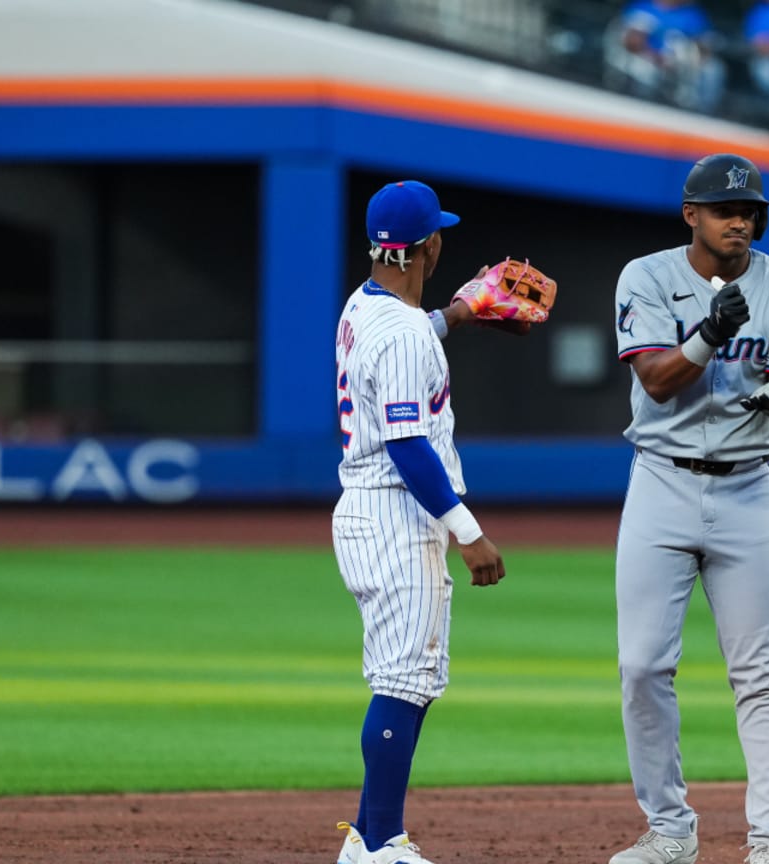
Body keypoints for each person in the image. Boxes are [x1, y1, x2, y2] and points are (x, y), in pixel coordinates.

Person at [609, 153, 769, 864]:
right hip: (661, 482)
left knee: (760, 673)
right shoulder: (646, 276)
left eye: (750, 211)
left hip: (747, 488)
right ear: (690, 214)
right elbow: (658, 383)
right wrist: (707, 334)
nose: (741, 221)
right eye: (726, 210)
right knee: (641, 666)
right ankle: (670, 830)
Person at [332, 180, 507, 864]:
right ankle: (380, 843)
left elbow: (398, 349)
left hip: (369, 511)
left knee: (410, 678)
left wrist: (453, 316)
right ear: (429, 246)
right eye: (441, 236)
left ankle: (367, 836)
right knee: (405, 681)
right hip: (397, 513)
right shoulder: (402, 331)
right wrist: (469, 532)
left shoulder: (363, 305)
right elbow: (408, 446)